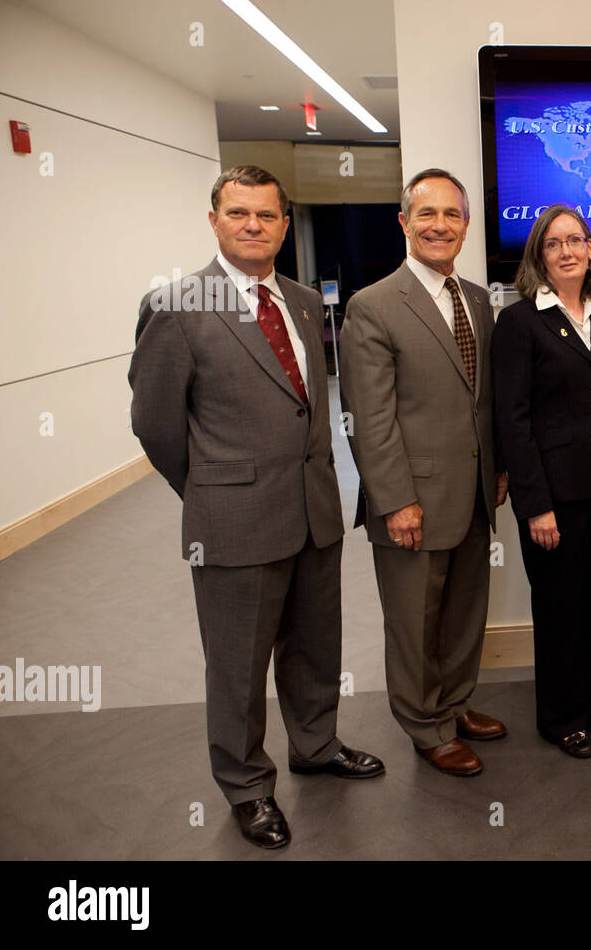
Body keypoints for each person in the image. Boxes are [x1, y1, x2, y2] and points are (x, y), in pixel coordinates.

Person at [129, 165, 383, 850]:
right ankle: (246, 786)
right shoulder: (177, 306)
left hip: (313, 511)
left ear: (280, 222)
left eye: (266, 216)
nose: (253, 226)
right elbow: (155, 425)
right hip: (233, 522)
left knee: (313, 645)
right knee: (238, 665)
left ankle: (316, 743)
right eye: (238, 213)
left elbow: (307, 404)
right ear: (213, 219)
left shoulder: (302, 300)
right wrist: (214, 488)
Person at [339, 168, 508, 778]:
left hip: (473, 491)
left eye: (453, 215)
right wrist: (394, 500)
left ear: (465, 225)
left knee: (464, 611)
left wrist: (498, 470)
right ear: (404, 222)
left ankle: (456, 704)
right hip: (411, 500)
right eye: (427, 214)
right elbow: (368, 414)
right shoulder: (374, 305)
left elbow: (482, 400)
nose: (441, 225)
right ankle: (424, 725)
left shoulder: (479, 300)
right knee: (414, 621)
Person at [492, 205, 591, 758]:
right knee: (556, 604)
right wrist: (535, 505)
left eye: (576, 240)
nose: (567, 251)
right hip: (551, 495)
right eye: (554, 244)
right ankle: (560, 716)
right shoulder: (520, 321)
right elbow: (514, 418)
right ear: (539, 256)